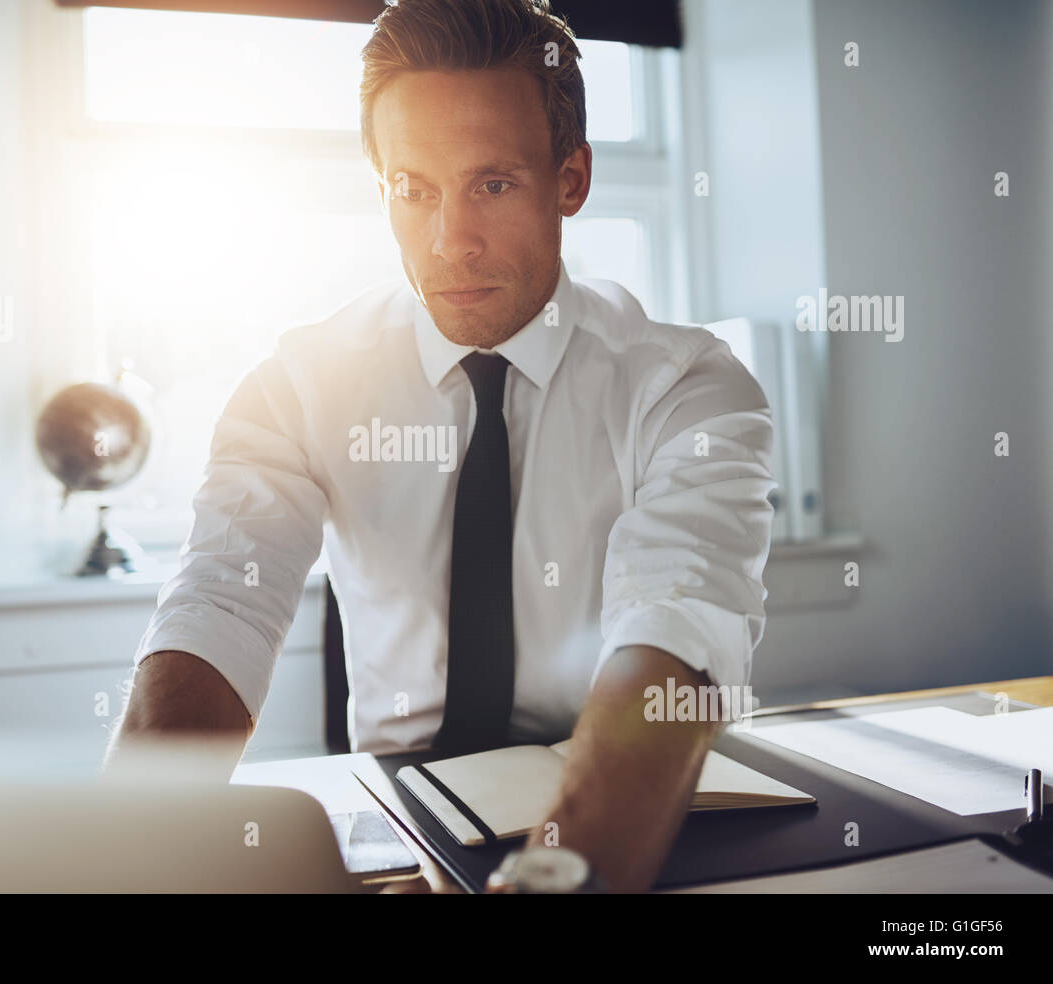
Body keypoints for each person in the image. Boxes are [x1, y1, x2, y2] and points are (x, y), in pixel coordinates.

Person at [109, 0, 775, 892]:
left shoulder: (688, 389)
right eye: (413, 189)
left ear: (570, 178)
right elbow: (217, 611)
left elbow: (675, 633)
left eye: (492, 185)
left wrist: (560, 873)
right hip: (395, 826)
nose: (448, 243)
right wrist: (112, 858)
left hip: (626, 817)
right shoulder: (300, 386)